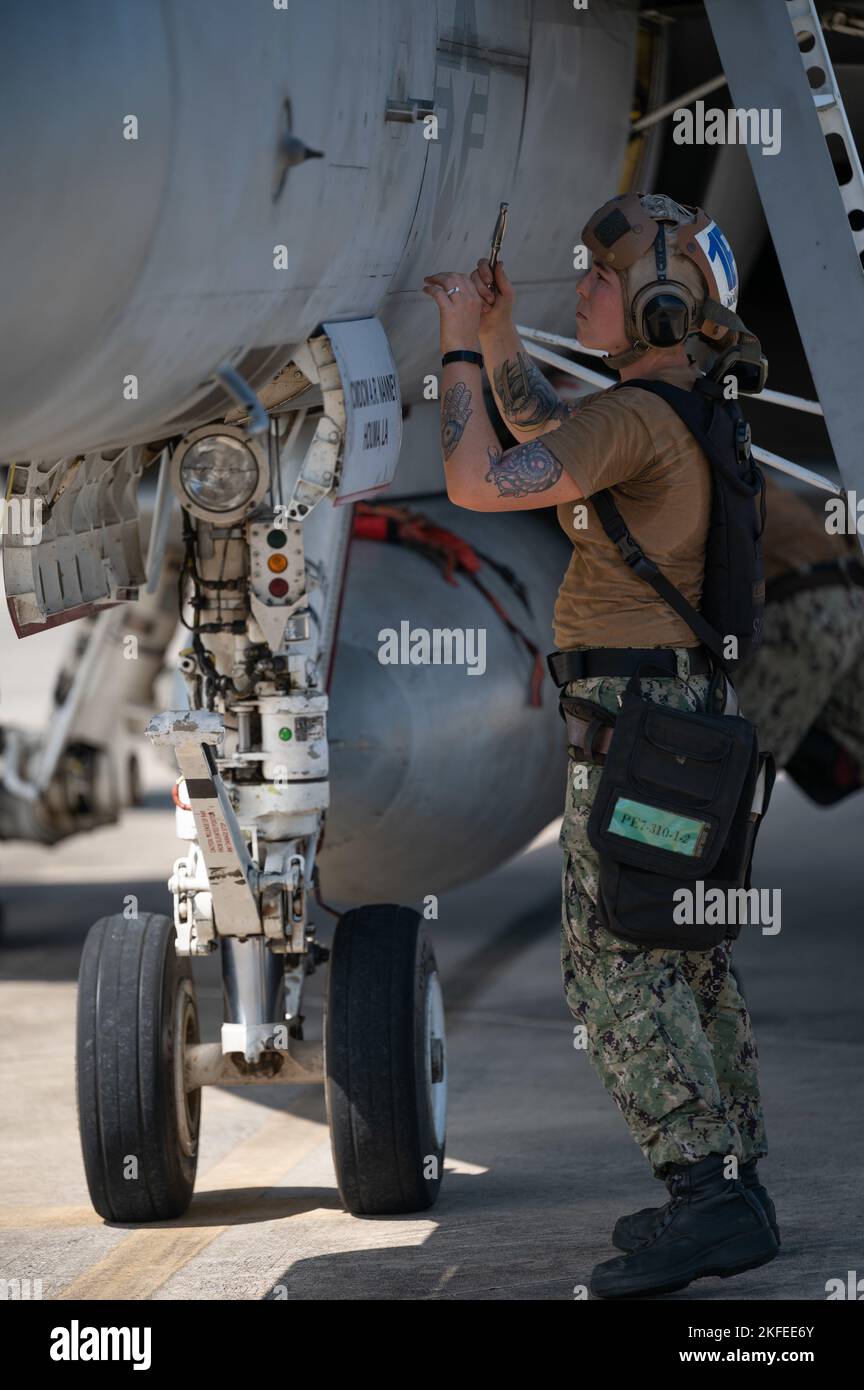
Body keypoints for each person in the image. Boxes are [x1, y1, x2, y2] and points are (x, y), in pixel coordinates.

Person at [423, 192, 778, 1299]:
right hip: (680, 720)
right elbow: (545, 438)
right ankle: (734, 1183)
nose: (575, 288)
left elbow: (480, 478)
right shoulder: (676, 410)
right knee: (683, 954)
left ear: (659, 303)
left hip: (631, 726)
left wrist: (452, 358)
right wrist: (497, 341)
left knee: (613, 968)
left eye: (596, 275)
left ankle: (705, 1192)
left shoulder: (634, 420)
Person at [733, 471, 864, 800]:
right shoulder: (739, 462)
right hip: (847, 601)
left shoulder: (686, 459)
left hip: (802, 613)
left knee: (724, 769)